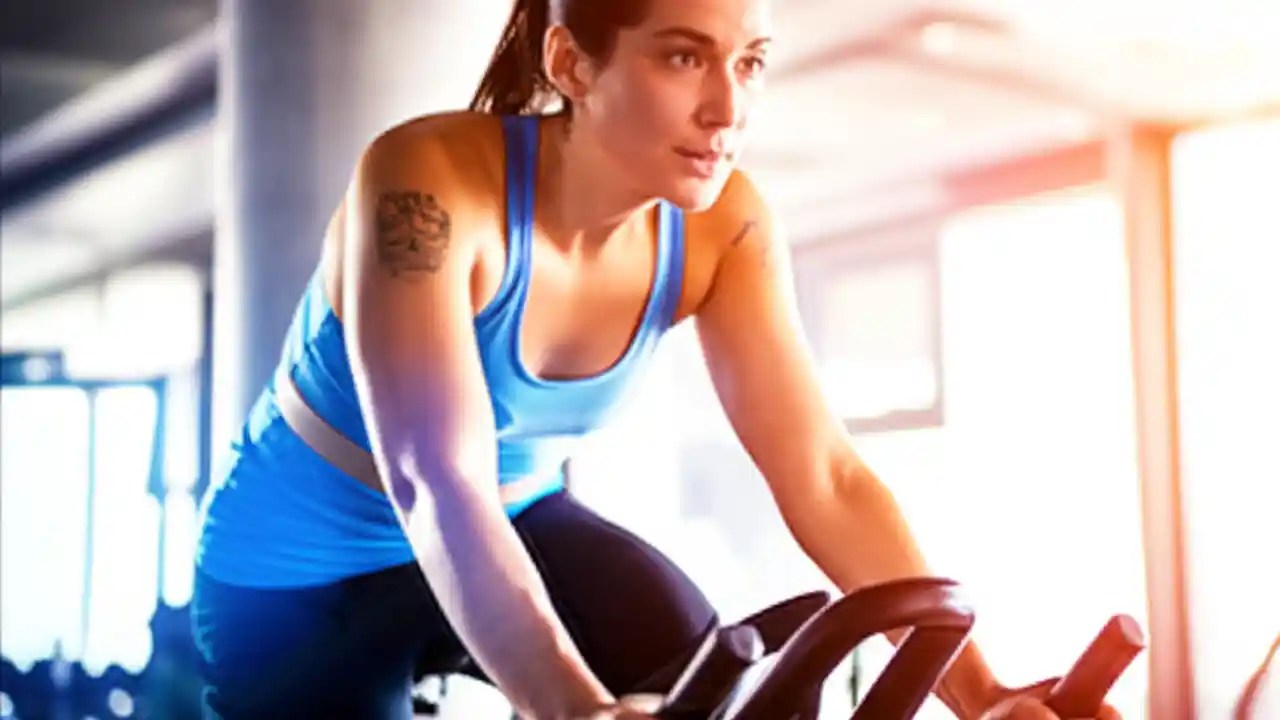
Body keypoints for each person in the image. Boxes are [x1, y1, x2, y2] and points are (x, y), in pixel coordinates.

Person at [191, 1, 1123, 718]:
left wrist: (986, 694)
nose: (728, 108)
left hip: (521, 521)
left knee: (701, 676)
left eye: (749, 63)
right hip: (295, 576)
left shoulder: (726, 224)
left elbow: (824, 477)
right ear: (571, 63)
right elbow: (434, 480)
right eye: (683, 56)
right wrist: (574, 705)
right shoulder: (428, 183)